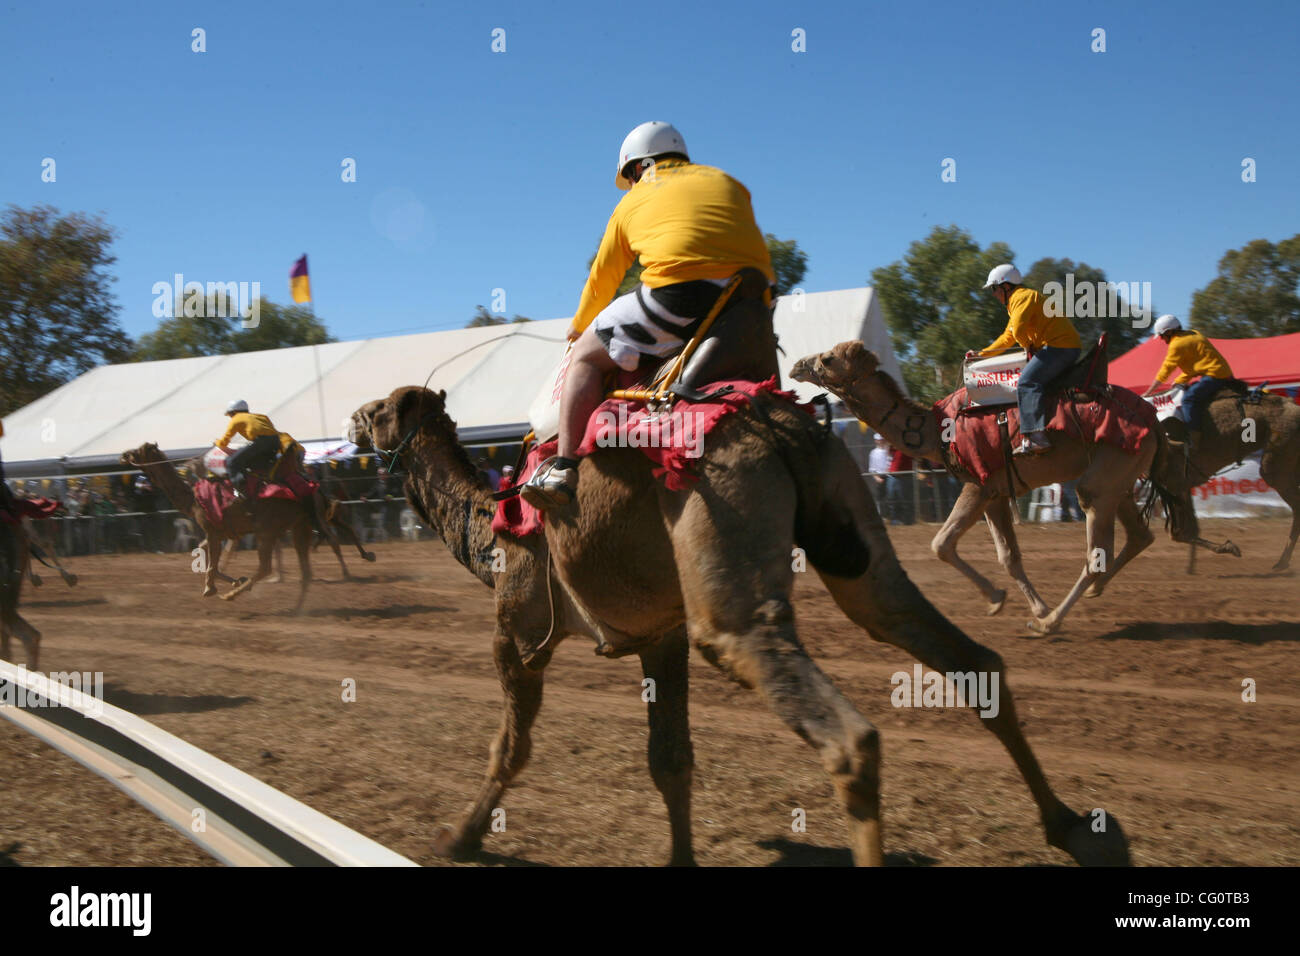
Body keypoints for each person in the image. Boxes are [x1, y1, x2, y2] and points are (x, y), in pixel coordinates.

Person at [521, 121, 775, 511]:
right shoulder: (727, 181)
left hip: (681, 298)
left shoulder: (632, 201)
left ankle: (564, 469)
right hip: (751, 305)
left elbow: (602, 280)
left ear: (638, 168)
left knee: (586, 356)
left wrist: (577, 327)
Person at [972, 264, 1081, 457]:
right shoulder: (1016, 302)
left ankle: (1037, 437)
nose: (993, 294)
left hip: (1060, 346)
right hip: (1060, 346)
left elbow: (1018, 332)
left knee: (1026, 382)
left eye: (994, 289)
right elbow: (1008, 336)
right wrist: (982, 355)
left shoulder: (1022, 297)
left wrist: (1028, 347)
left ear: (1005, 286)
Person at [1140, 315, 1234, 453]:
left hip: (1214, 375)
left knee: (1189, 399)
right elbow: (1196, 365)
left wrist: (1148, 392)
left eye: (1162, 336)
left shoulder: (1176, 344)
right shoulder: (1194, 334)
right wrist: (1179, 381)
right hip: (1220, 372)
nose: (1161, 339)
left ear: (1169, 332)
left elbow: (1164, 372)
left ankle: (1194, 439)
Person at [214, 400, 303, 497]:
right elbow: (270, 431)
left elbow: (225, 440)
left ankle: (241, 490)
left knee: (231, 462)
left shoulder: (236, 419)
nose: (230, 417)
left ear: (233, 412)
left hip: (261, 442)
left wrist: (217, 443)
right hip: (275, 442)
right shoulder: (261, 416)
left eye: (230, 414)